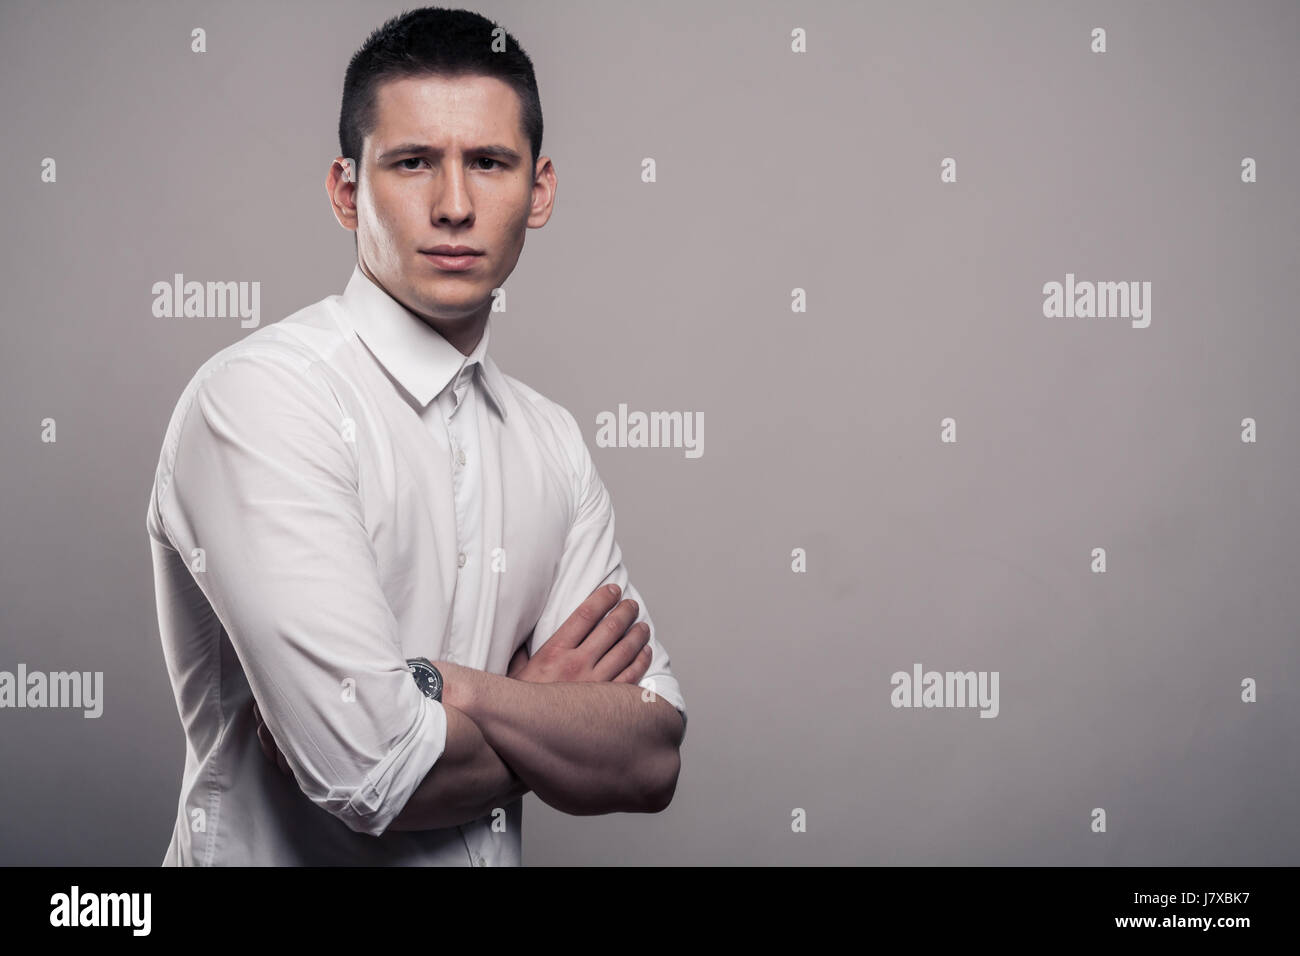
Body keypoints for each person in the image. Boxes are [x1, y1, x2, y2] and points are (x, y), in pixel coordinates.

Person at [145, 6, 686, 866]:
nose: (455, 205)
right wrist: (542, 710)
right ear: (346, 188)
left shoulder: (551, 441)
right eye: (412, 163)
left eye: (489, 163)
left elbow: (650, 754)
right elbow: (373, 773)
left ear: (538, 190)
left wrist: (453, 692)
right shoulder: (261, 401)